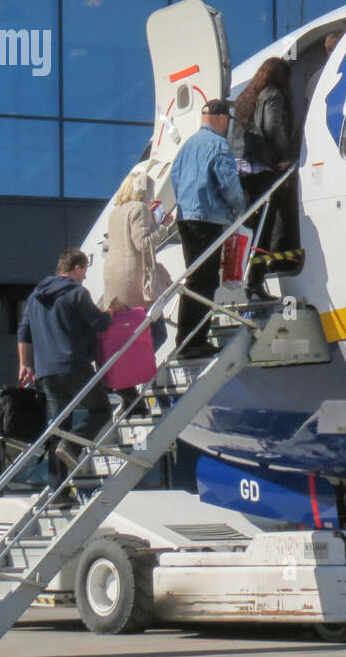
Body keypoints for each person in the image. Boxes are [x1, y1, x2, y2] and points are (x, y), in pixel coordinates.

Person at [17, 248, 125, 489]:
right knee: (101, 411)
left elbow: (24, 331)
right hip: (74, 366)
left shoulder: (36, 295)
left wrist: (25, 363)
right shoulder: (77, 292)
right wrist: (112, 310)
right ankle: (74, 446)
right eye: (84, 270)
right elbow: (100, 323)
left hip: (46, 372)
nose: (85, 276)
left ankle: (59, 488)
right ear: (76, 268)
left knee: (58, 426)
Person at [170, 98, 246, 357]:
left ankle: (185, 338)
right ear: (223, 119)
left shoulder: (187, 145)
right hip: (208, 218)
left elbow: (175, 177)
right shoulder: (219, 145)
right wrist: (240, 211)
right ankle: (193, 340)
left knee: (195, 278)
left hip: (186, 216)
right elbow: (228, 185)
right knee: (206, 281)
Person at [231, 57, 301, 297]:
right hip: (260, 167)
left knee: (247, 227)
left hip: (240, 166)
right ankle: (255, 283)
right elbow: (272, 127)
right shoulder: (272, 94)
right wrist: (286, 155)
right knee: (264, 227)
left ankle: (237, 279)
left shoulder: (246, 97)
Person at [103, 168, 171, 350]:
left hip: (115, 279)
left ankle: (129, 366)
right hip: (135, 280)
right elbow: (142, 243)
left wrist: (151, 221)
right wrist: (163, 227)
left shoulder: (116, 212)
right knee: (158, 332)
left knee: (127, 331)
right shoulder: (139, 209)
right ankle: (138, 366)